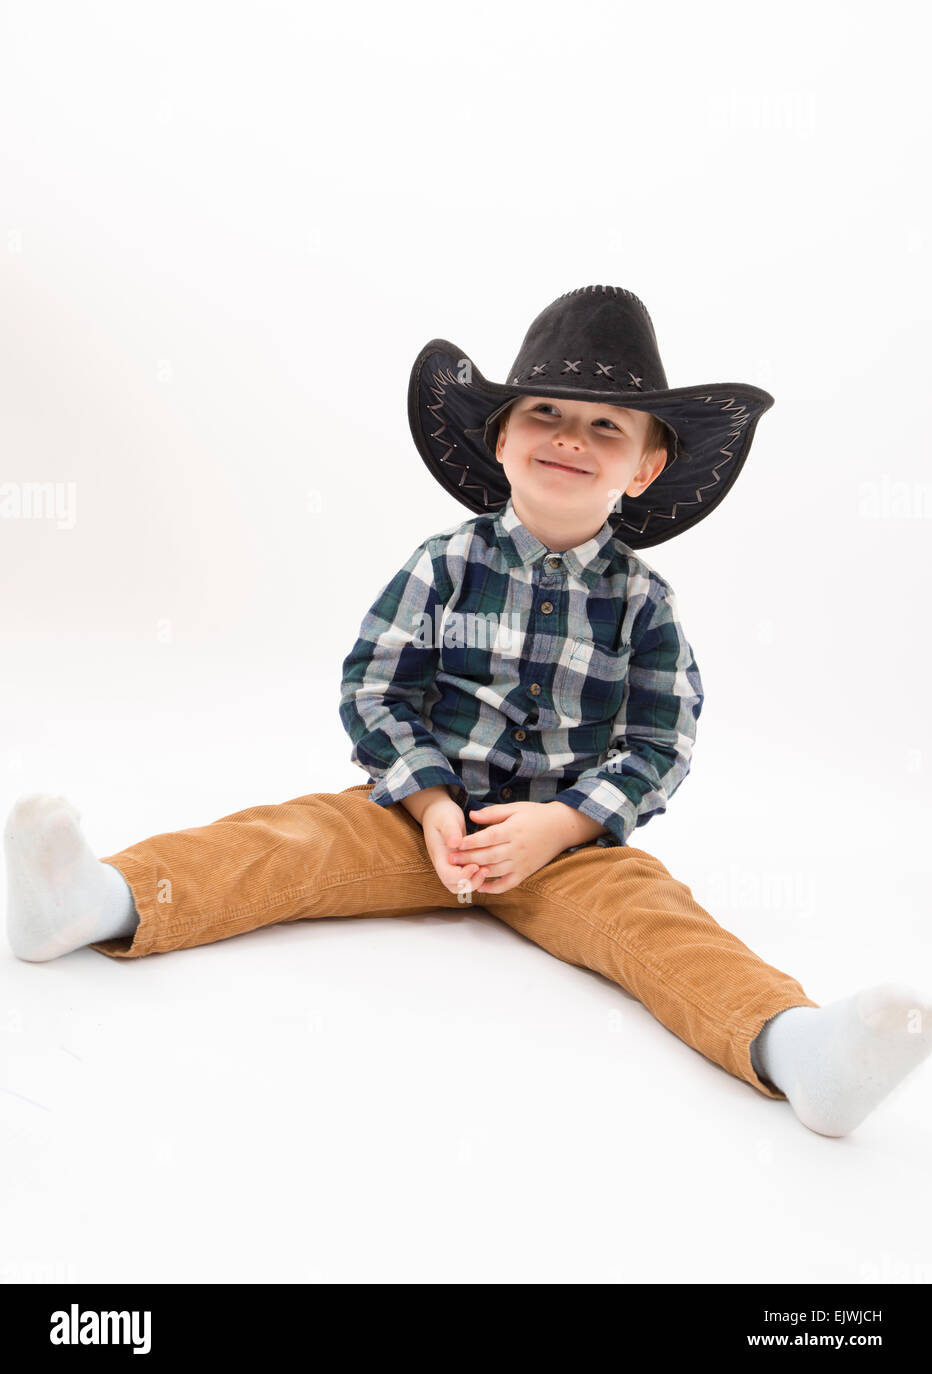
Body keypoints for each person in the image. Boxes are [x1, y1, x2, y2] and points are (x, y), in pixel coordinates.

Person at [5, 285, 930, 1139]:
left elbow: (661, 740)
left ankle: (795, 1046)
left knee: (661, 924)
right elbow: (374, 686)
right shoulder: (445, 564)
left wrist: (563, 824)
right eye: (546, 413)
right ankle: (100, 901)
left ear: (645, 467)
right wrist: (432, 803)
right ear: (499, 440)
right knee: (282, 842)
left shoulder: (644, 603)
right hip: (415, 822)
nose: (570, 436)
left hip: (565, 850)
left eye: (605, 425)